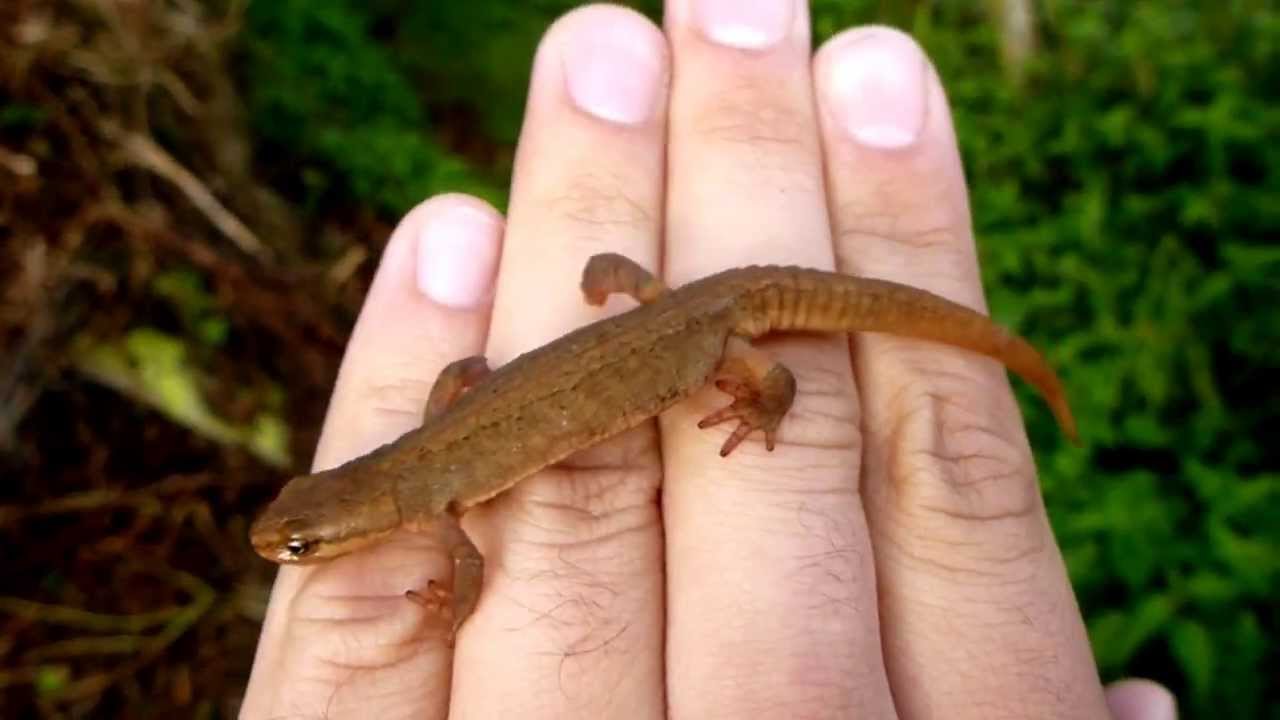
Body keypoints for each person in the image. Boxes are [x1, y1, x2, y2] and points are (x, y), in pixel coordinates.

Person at [239, 4, 1177, 718]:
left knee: (746, 368)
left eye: (302, 542)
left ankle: (768, 398)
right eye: (299, 541)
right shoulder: (426, 458)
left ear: (352, 512)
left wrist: (449, 607)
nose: (298, 552)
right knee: (678, 326)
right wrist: (473, 379)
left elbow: (473, 567)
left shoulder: (433, 495)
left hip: (708, 324)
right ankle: (656, 301)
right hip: (679, 308)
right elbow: (459, 379)